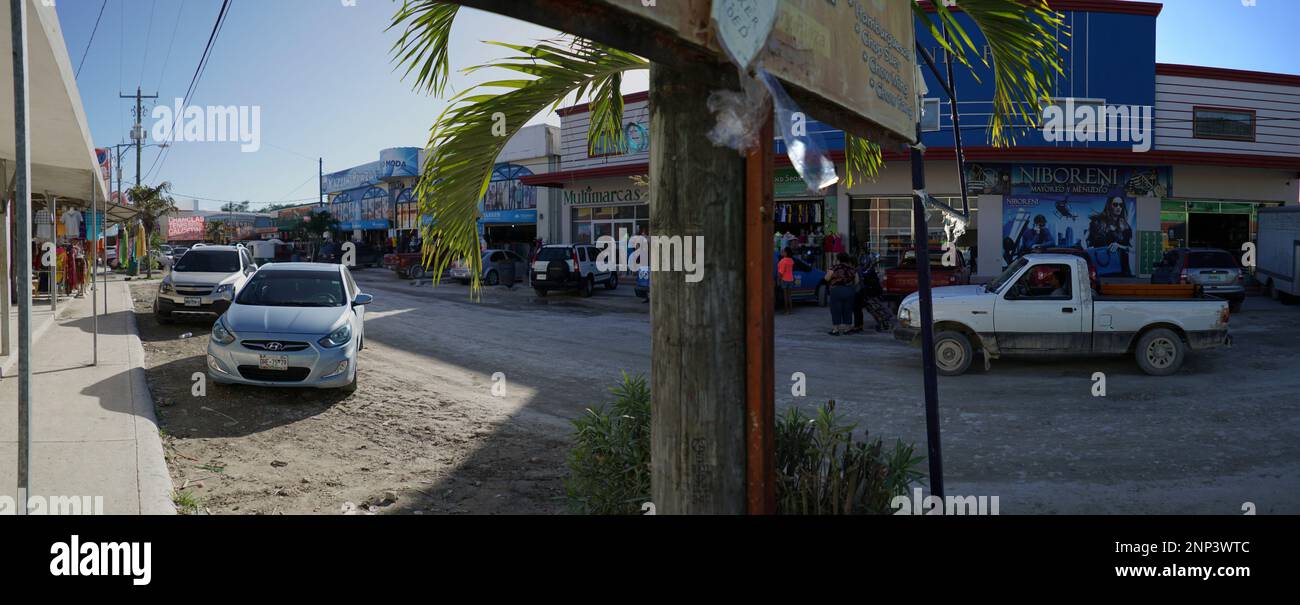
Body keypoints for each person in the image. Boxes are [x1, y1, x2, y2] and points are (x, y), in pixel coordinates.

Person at [825, 252, 858, 336]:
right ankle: (847, 328)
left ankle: (836, 329)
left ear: (838, 259)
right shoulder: (852, 269)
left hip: (836, 290)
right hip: (849, 290)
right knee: (848, 309)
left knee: (836, 309)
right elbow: (857, 281)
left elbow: (827, 278)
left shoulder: (834, 268)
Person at [778, 247, 796, 316]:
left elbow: (780, 272)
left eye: (783, 251)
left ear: (786, 253)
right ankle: (791, 310)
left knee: (785, 296)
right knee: (789, 296)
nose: (782, 253)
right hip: (791, 279)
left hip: (784, 279)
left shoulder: (783, 261)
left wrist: (779, 280)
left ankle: (786, 310)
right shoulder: (791, 260)